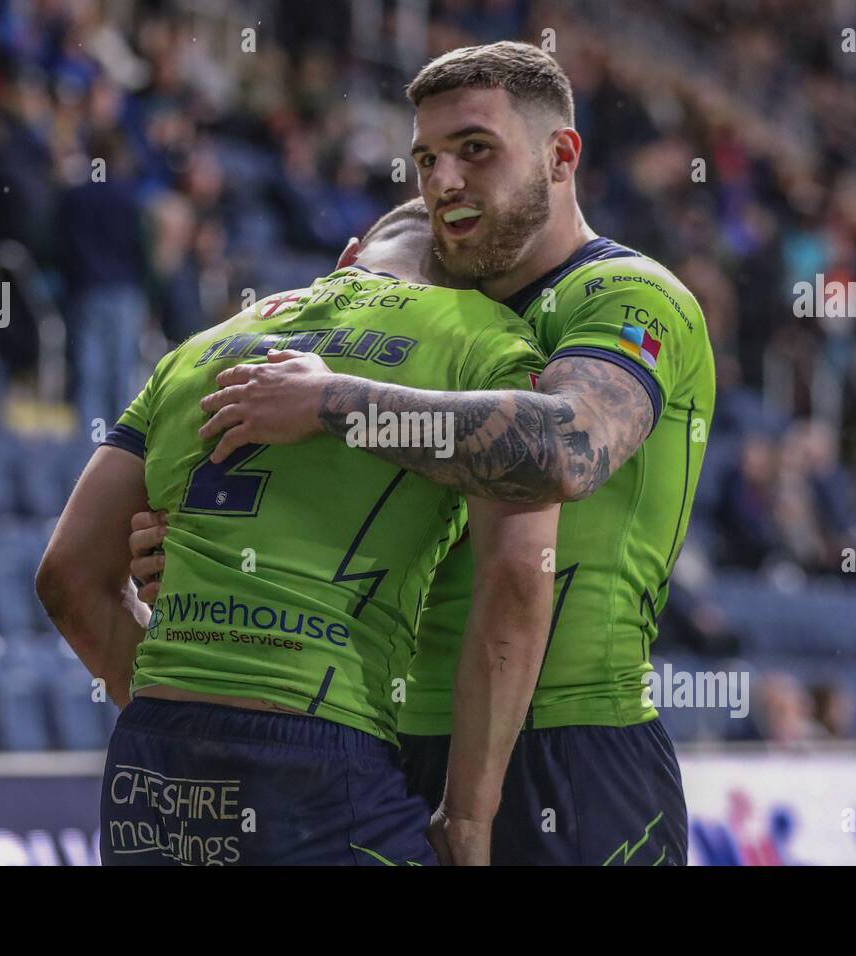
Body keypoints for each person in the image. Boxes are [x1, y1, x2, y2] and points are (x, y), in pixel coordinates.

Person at [164, 41, 718, 865]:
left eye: (475, 149)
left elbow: (564, 450)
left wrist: (328, 402)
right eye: (425, 158)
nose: (442, 182)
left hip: (572, 748)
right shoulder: (436, 325)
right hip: (396, 745)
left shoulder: (629, 296)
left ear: (562, 156)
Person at [36, 199, 559, 866]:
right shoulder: (487, 342)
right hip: (315, 751)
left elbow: (67, 576)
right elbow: (517, 572)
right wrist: (466, 818)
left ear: (346, 257)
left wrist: (180, 703)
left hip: (151, 764)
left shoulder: (197, 348)